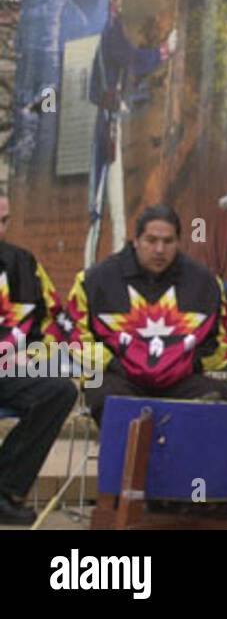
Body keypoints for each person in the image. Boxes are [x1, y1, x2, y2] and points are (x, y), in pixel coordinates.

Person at [64, 204, 227, 424]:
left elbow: (222, 342)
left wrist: (193, 365)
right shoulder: (95, 280)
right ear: (136, 240)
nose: (160, 250)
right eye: (151, 241)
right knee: (111, 400)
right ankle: (128, 459)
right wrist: (113, 364)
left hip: (181, 381)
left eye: (168, 241)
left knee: (220, 402)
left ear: (178, 242)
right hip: (118, 379)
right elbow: (74, 338)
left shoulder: (206, 283)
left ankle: (182, 458)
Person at [85, 0, 178, 269]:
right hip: (108, 124)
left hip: (109, 119)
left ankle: (96, 268)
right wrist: (165, 50)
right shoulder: (111, 30)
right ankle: (100, 271)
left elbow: (100, 84)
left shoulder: (110, 29)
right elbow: (134, 60)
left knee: (105, 206)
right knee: (105, 205)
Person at [0, 193, 78, 525]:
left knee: (60, 390)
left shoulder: (22, 263)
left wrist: (34, 355)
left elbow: (52, 321)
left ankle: (5, 488)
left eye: (3, 220)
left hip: (7, 367)